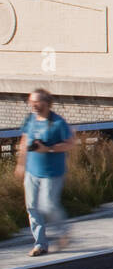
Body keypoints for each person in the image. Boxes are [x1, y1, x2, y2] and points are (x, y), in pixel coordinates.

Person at [15, 88, 74, 256]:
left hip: (52, 173)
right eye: (31, 101)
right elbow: (24, 141)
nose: (33, 105)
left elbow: (70, 143)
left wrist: (48, 149)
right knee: (32, 207)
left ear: (47, 103)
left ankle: (64, 233)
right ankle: (40, 244)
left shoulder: (58, 122)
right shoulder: (30, 120)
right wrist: (20, 164)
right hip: (32, 172)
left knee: (47, 205)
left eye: (37, 101)